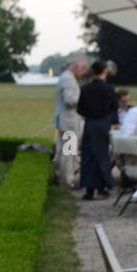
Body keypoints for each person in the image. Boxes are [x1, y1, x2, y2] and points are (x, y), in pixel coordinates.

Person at [76, 59, 119, 198]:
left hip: (90, 123)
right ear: (104, 71)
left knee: (88, 156)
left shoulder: (85, 89)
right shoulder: (108, 88)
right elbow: (115, 107)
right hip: (103, 124)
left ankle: (89, 189)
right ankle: (102, 186)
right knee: (102, 156)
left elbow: (79, 108)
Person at [52, 55, 88, 188]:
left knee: (65, 151)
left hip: (67, 120)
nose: (83, 73)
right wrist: (84, 98)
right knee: (69, 152)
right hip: (69, 121)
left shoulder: (67, 77)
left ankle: (63, 178)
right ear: (76, 66)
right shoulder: (68, 79)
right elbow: (69, 100)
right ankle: (67, 181)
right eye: (83, 69)